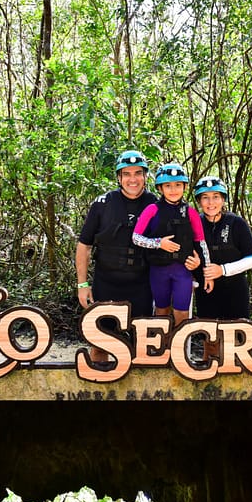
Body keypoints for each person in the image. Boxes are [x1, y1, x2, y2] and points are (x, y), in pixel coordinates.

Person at [76, 149, 157, 364]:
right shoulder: (103, 204)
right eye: (127, 174)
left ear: (145, 176)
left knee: (144, 347)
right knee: (100, 344)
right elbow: (84, 245)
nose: (133, 179)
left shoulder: (155, 204)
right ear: (119, 177)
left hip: (142, 287)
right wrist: (82, 284)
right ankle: (99, 381)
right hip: (106, 284)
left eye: (138, 173)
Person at [132, 162, 212, 329]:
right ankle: (161, 343)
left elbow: (201, 243)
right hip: (158, 270)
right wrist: (158, 243)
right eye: (168, 186)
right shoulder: (152, 209)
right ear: (160, 188)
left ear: (184, 187)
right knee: (161, 311)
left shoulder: (190, 212)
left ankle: (180, 344)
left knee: (182, 312)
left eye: (177, 185)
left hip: (183, 270)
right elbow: (136, 237)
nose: (173, 190)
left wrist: (207, 272)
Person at [191, 176, 252, 324]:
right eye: (205, 197)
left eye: (216, 197)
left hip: (235, 289)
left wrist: (222, 270)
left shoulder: (236, 223)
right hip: (206, 290)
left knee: (238, 332)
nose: (211, 203)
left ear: (223, 199)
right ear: (199, 201)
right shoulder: (194, 224)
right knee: (208, 333)